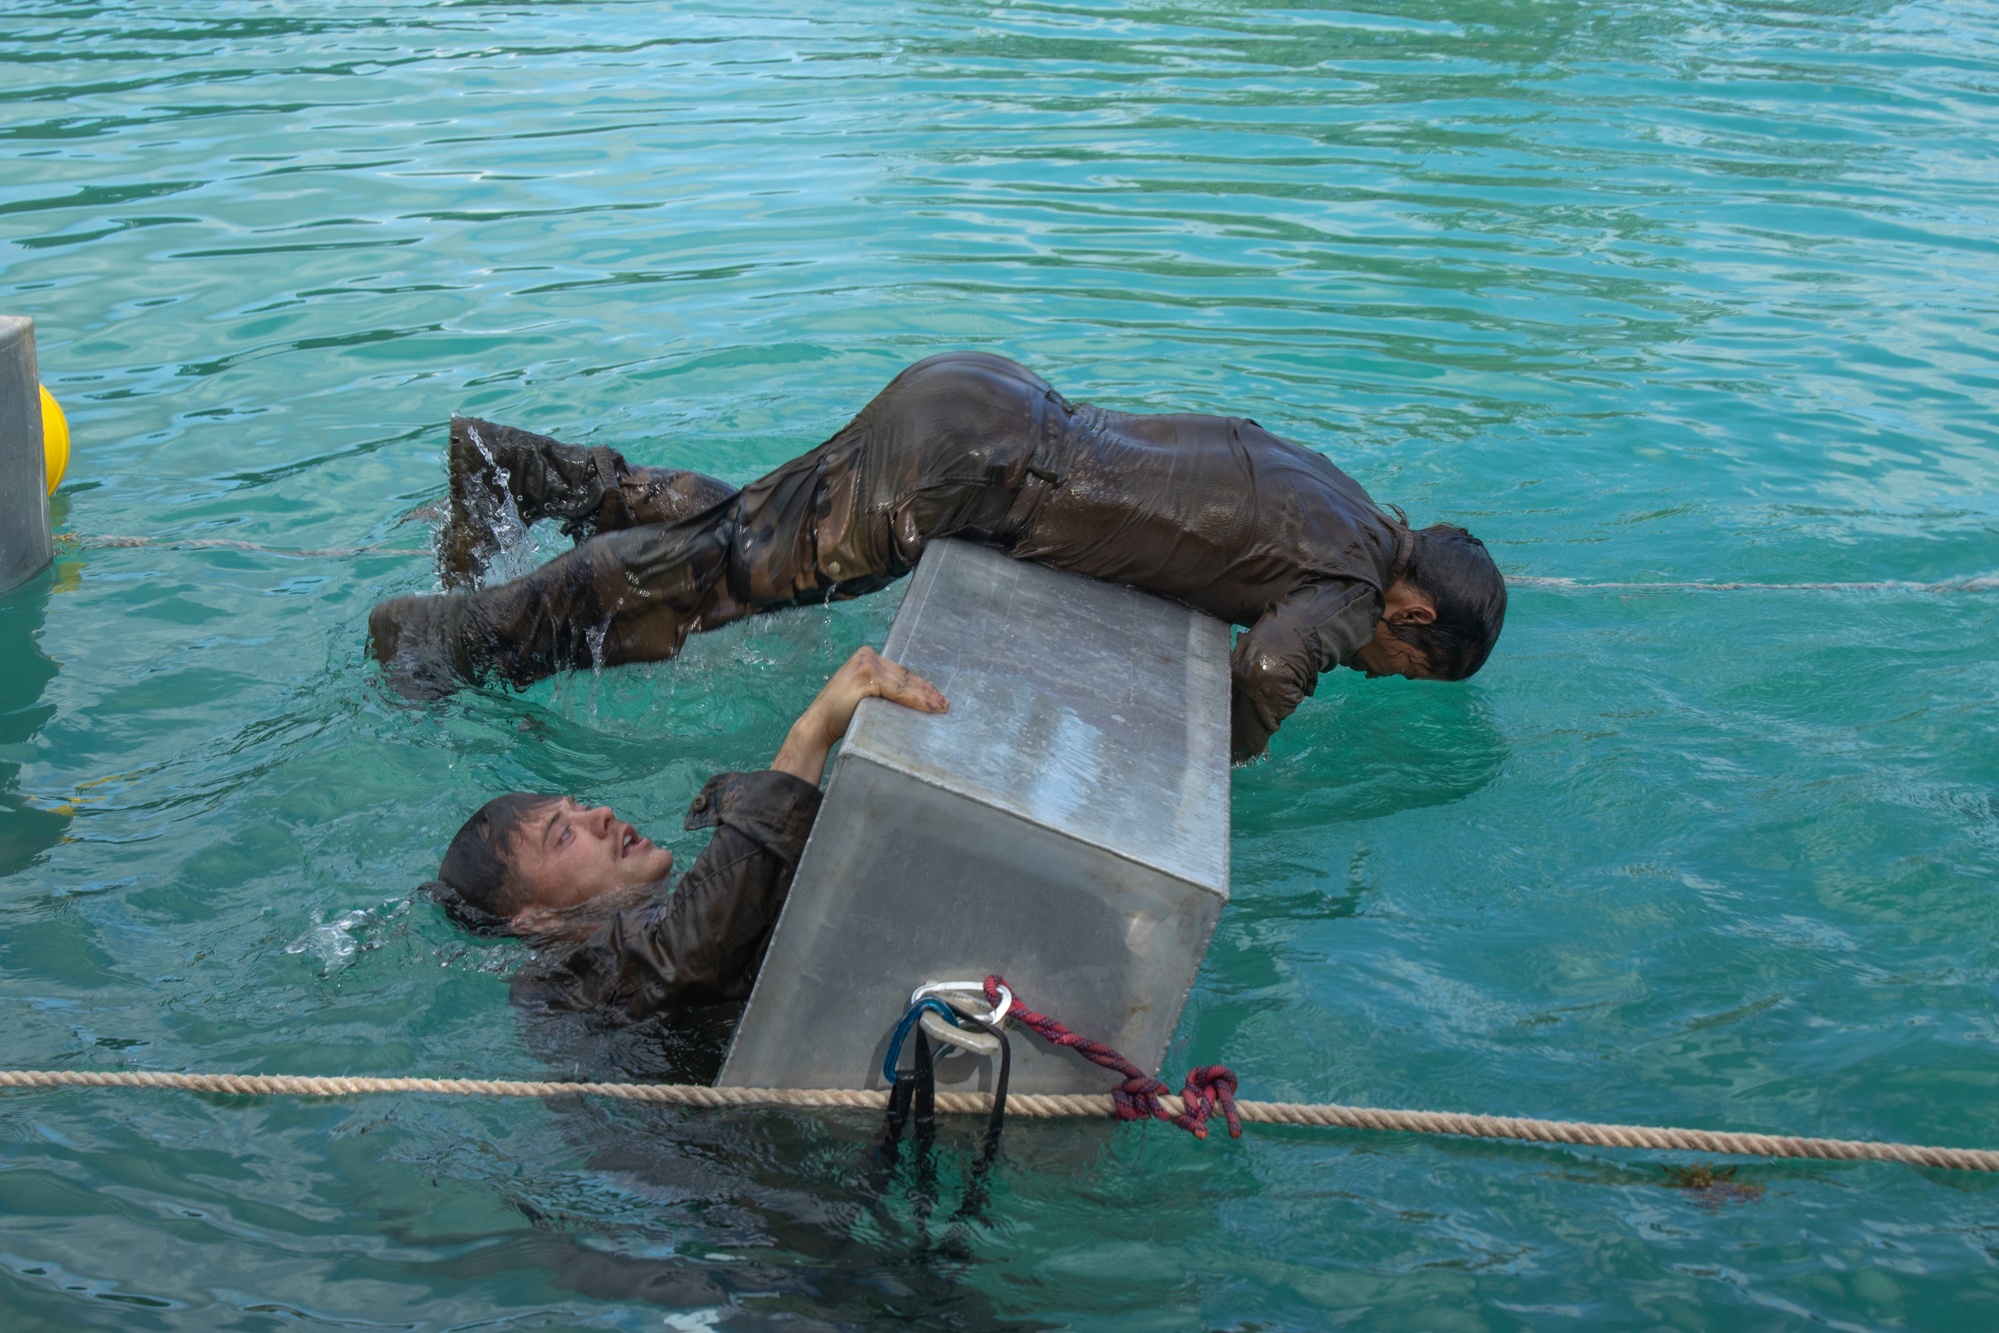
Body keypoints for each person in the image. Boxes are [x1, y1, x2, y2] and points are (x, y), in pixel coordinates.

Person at [370, 352, 1505, 761]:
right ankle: (456, 636)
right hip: (978, 471)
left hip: (989, 406)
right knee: (719, 573)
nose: (1380, 669)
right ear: (1414, 619)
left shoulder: (1349, 503)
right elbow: (1267, 670)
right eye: (1411, 666)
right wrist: (1232, 760)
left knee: (755, 533)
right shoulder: (1357, 593)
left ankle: (527, 473)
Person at [425, 646, 946, 1022]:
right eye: (563, 836)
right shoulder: (564, 989)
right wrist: (811, 733)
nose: (601, 814)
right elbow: (685, 953)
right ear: (535, 919)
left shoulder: (642, 926)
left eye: (579, 806)